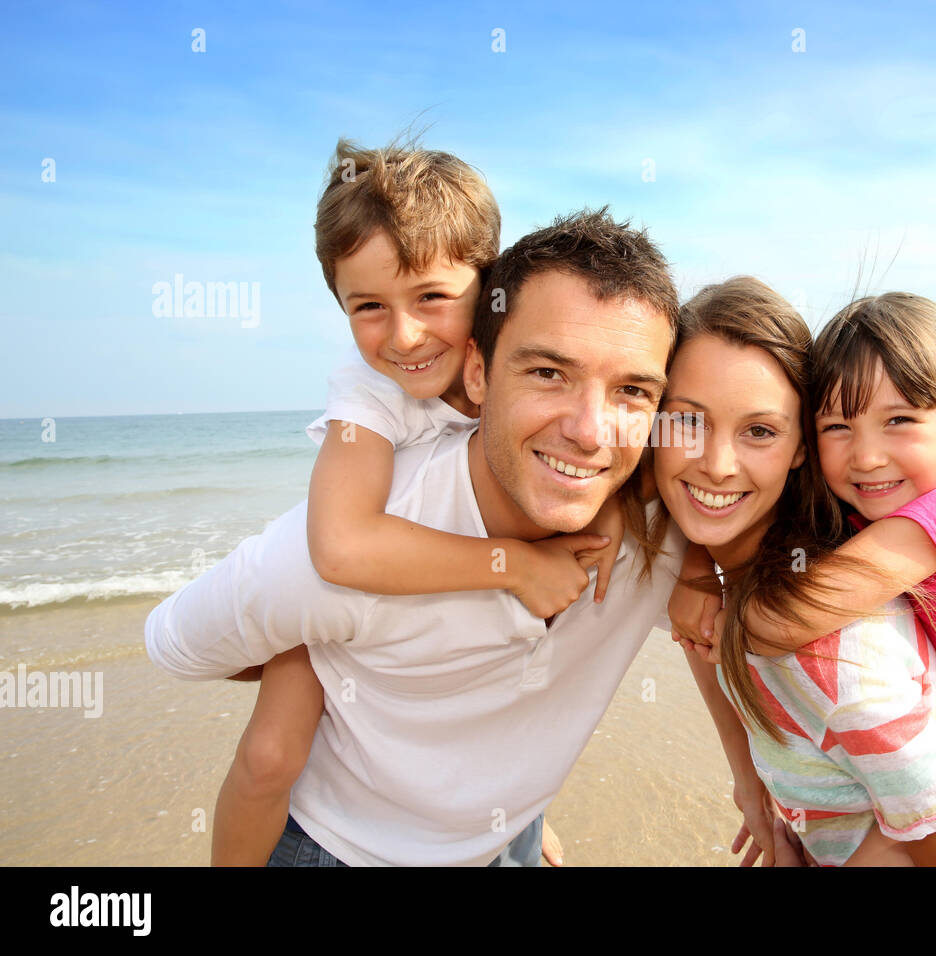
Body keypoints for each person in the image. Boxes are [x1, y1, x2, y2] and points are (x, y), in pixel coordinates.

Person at [146, 208, 685, 866]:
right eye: (548, 373)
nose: (590, 430)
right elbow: (178, 646)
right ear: (478, 373)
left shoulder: (659, 522)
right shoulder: (340, 554)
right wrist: (311, 649)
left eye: (631, 390)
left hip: (504, 839)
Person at [677, 291, 936, 865]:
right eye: (838, 427)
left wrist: (719, 601)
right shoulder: (914, 488)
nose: (868, 457)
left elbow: (785, 621)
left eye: (898, 420)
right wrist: (692, 564)